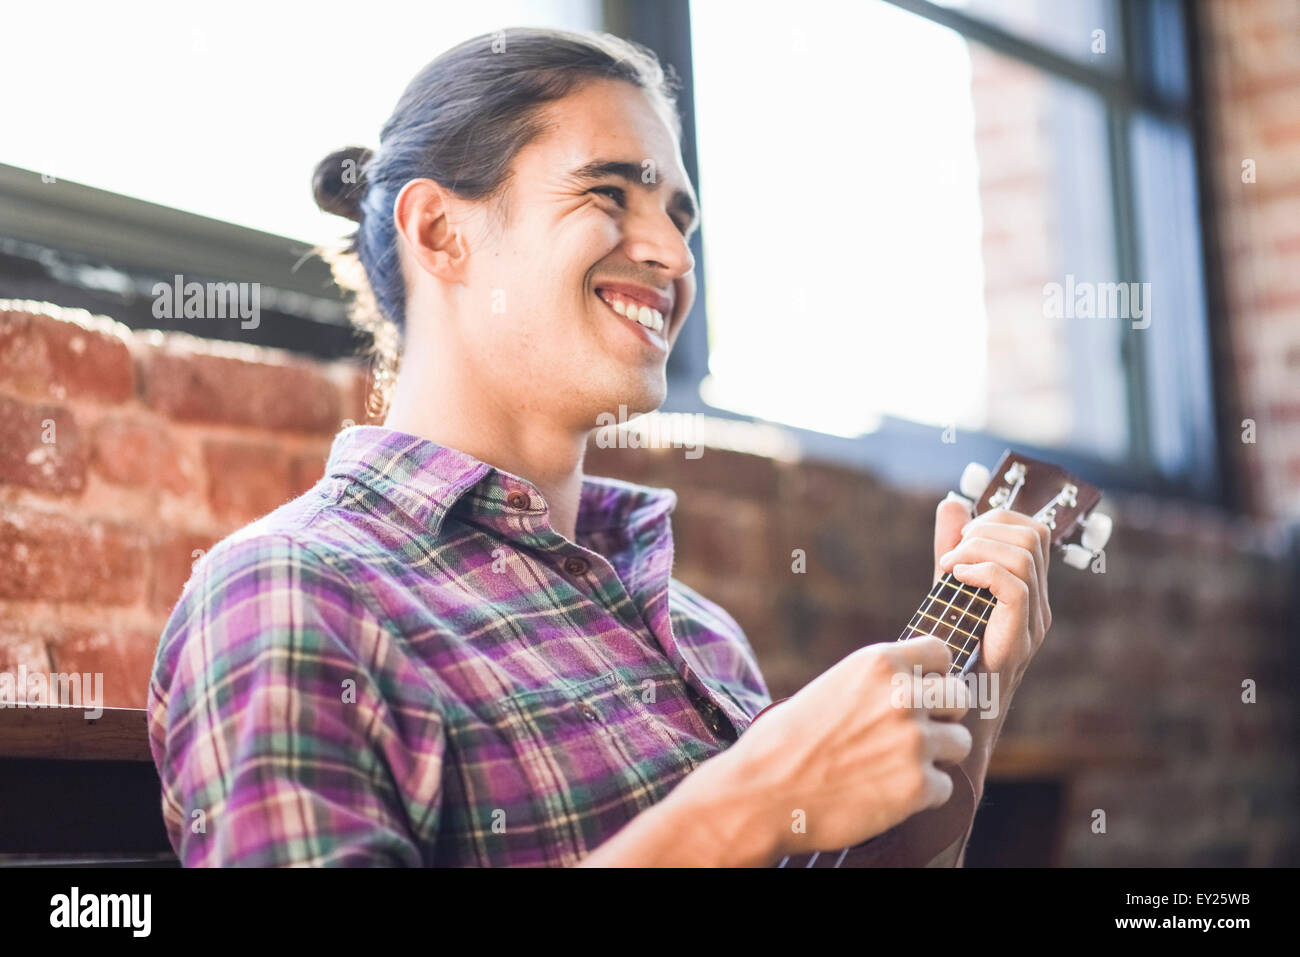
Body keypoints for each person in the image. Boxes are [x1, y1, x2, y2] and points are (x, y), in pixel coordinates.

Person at [147, 26, 1053, 867]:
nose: (672, 253)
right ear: (439, 231)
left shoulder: (698, 634)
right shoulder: (292, 593)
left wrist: (967, 712)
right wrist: (745, 801)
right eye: (609, 193)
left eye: (680, 217)